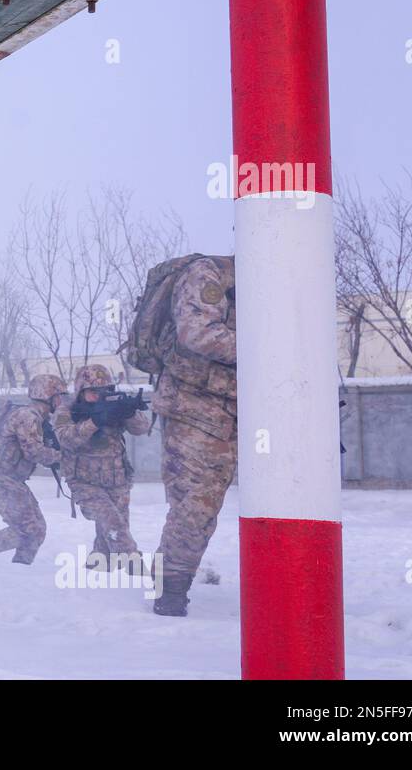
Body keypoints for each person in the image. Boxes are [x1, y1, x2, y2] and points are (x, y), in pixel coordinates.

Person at [150, 255, 236, 616]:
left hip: (234, 410)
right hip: (195, 410)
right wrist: (273, 349)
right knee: (195, 506)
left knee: (205, 506)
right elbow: (196, 333)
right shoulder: (208, 273)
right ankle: (170, 586)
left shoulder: (267, 282)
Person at [0, 373, 66, 565]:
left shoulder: (37, 418)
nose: (61, 401)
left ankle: (20, 568)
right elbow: (33, 452)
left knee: (37, 529)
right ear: (47, 396)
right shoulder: (27, 416)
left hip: (11, 480)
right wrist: (63, 457)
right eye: (58, 396)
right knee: (28, 529)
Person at [52, 364, 150, 572]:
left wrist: (128, 412)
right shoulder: (66, 410)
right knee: (113, 523)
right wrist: (95, 420)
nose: (100, 396)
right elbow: (66, 438)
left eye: (105, 391)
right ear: (80, 391)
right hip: (84, 482)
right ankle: (135, 567)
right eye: (93, 392)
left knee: (111, 528)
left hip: (117, 480)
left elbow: (142, 429)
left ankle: (97, 569)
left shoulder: (115, 405)